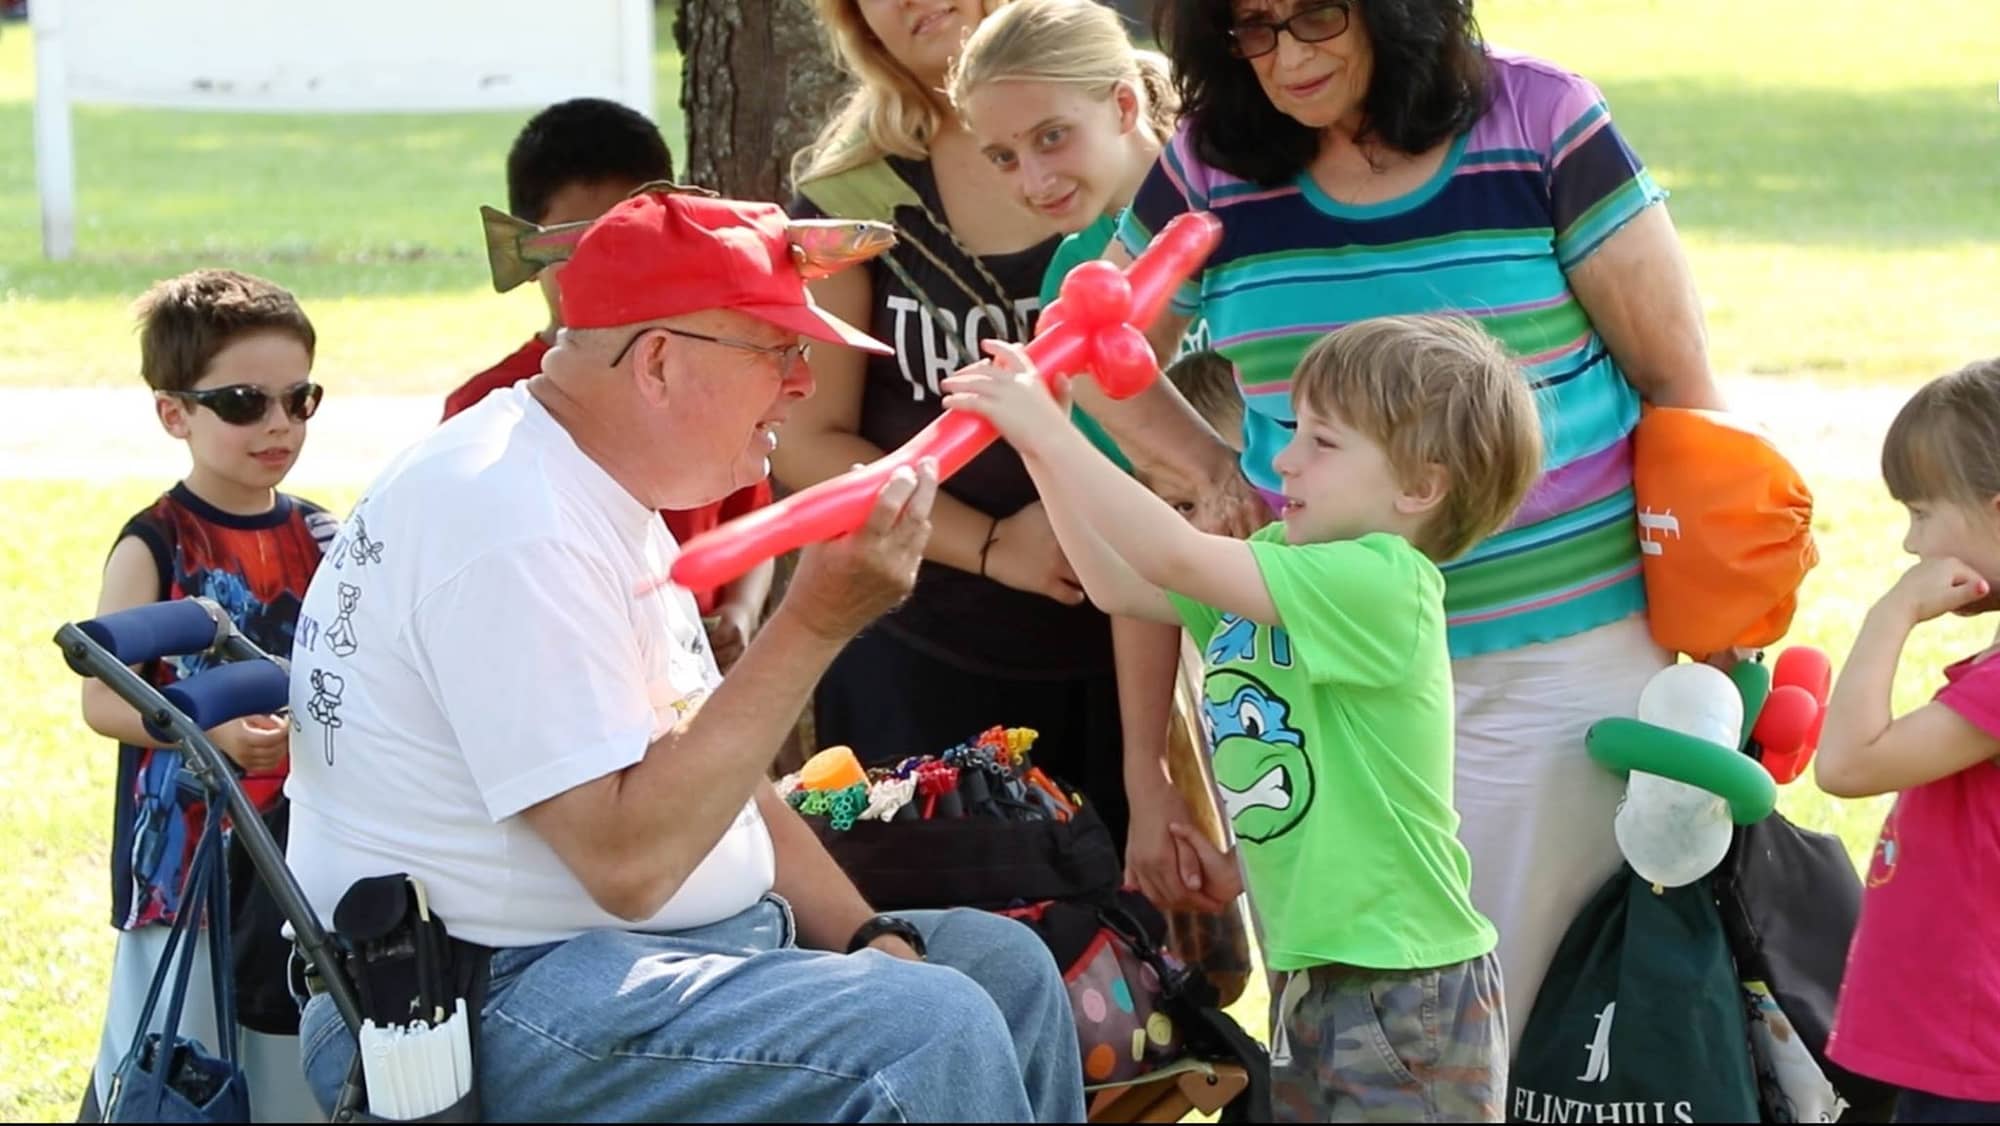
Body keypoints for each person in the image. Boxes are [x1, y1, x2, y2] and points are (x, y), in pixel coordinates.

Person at [284, 189, 1084, 1122]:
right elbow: (628, 866)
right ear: (658, 361)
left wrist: (870, 932)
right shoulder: (511, 519)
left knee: (1002, 968)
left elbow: (716, 767)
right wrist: (816, 619)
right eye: (779, 351)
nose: (801, 382)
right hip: (485, 993)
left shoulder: (583, 474)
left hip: (611, 959)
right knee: (928, 1025)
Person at [1109, 0, 1738, 1026]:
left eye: (1311, 15)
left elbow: (1677, 383)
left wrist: (1723, 620)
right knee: (1363, 1031)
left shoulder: (1541, 120)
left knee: (1545, 1025)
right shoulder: (1208, 164)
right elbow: (1096, 345)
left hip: (1565, 660)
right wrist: (1207, 466)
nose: (1284, 56)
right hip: (1320, 687)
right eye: (1248, 31)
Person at [944, 313, 1542, 1122]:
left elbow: (1173, 555)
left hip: (1405, 981)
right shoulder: (1283, 575)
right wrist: (1038, 446)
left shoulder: (1383, 583)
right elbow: (1121, 582)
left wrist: (1052, 434)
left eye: (1323, 444)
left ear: (1420, 488)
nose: (1284, 459)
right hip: (1314, 970)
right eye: (1294, 431)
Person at [81, 269, 334, 1122]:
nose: (278, 424)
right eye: (243, 402)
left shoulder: (321, 534)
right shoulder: (153, 543)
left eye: (301, 398)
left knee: (291, 1065)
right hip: (184, 865)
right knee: (175, 1067)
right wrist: (212, 734)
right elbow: (105, 700)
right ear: (174, 413)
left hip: (304, 855)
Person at [442, 96, 773, 667]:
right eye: (582, 246)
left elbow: (754, 522)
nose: (611, 268)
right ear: (523, 250)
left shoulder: (715, 383)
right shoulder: (480, 409)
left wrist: (742, 612)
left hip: (693, 681)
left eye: (635, 240)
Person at [1815, 357, 2000, 1123]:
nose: (1908, 545)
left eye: (1922, 513)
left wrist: (1889, 616)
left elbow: (1848, 763)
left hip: (1972, 1053)